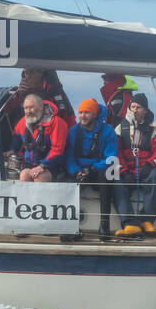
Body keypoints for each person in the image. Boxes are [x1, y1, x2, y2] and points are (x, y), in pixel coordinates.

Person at [113, 93, 156, 237]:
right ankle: (129, 223)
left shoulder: (154, 129)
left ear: (145, 110)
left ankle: (147, 219)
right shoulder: (120, 128)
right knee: (116, 181)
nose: (135, 110)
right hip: (127, 170)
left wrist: (149, 166)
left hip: (145, 169)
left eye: (138, 107)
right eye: (133, 107)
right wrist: (124, 172)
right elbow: (115, 152)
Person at [66, 99, 119, 235]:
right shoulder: (73, 132)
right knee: (67, 184)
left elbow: (111, 157)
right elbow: (69, 156)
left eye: (87, 112)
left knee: (106, 179)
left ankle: (104, 225)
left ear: (95, 114)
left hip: (98, 169)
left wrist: (93, 169)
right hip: (79, 170)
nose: (83, 116)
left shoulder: (108, 131)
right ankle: (70, 226)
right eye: (81, 112)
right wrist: (76, 171)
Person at [5, 94, 68, 182]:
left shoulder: (57, 123)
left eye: (31, 107)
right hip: (30, 164)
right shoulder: (23, 122)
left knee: (39, 177)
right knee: (24, 175)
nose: (28, 111)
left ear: (41, 107)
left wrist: (43, 166)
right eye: (25, 108)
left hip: (53, 166)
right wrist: (12, 150)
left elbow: (58, 149)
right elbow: (17, 138)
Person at [6, 68, 75, 127]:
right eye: (26, 73)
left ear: (41, 73)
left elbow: (70, 119)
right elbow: (3, 114)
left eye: (31, 72)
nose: (28, 76)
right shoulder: (17, 95)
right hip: (23, 137)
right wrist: (18, 95)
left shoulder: (55, 93)